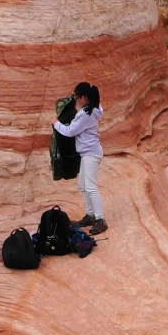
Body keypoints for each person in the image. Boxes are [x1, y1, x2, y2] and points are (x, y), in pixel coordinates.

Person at [51, 81, 106, 234]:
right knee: (83, 185)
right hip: (88, 152)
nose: (74, 99)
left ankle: (100, 219)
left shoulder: (85, 114)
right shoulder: (95, 108)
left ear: (83, 97)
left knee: (90, 186)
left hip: (91, 153)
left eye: (75, 96)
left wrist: (56, 123)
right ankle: (90, 215)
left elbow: (70, 131)